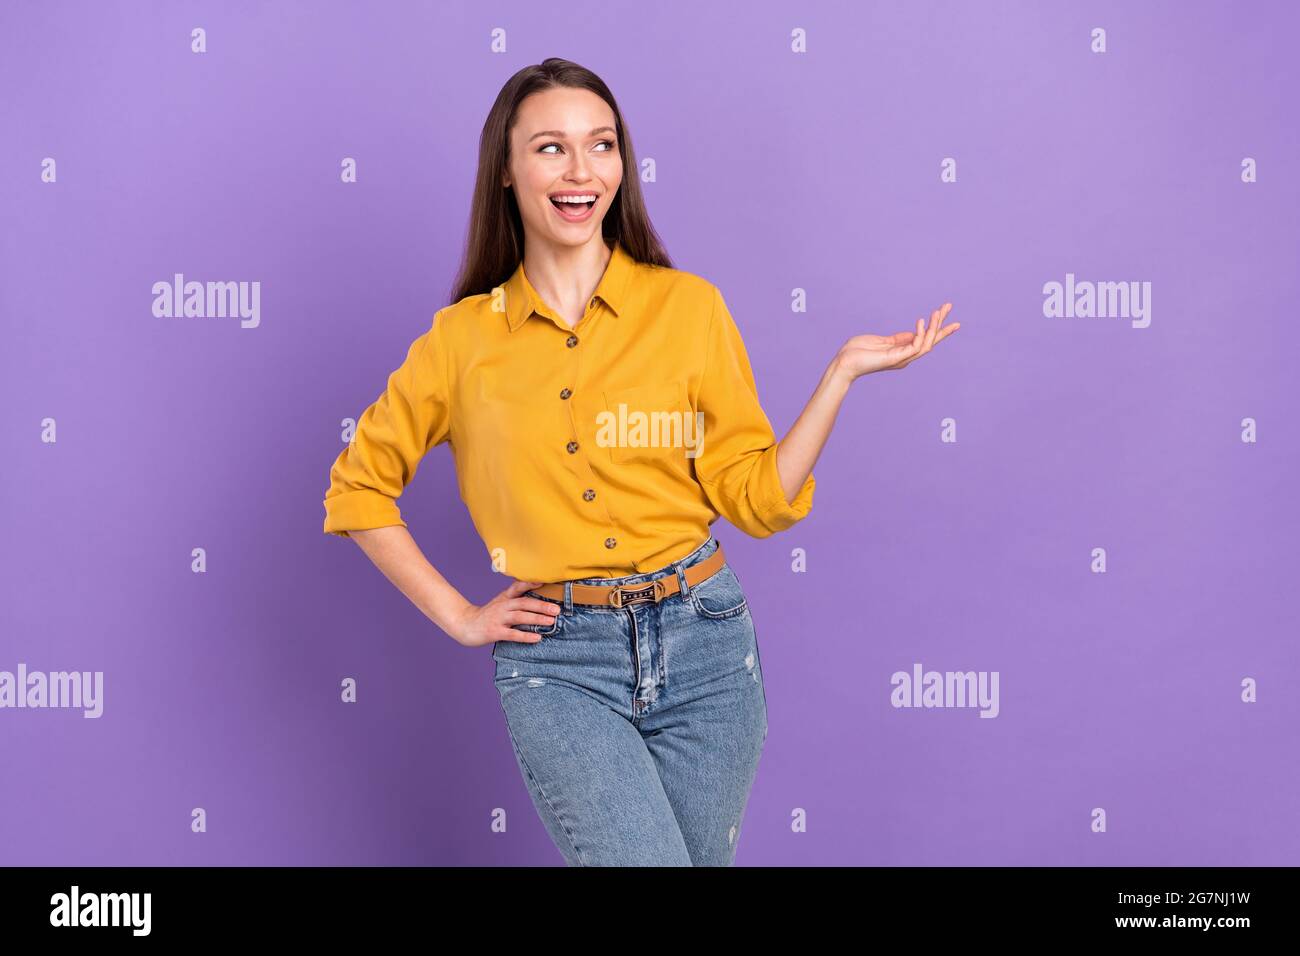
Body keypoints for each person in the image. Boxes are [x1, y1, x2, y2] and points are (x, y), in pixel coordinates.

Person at [322, 57, 959, 866]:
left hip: (707, 645)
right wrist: (460, 616)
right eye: (551, 147)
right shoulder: (461, 342)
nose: (582, 170)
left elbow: (757, 499)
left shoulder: (688, 308)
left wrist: (840, 376)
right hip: (561, 662)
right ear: (507, 172)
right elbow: (358, 490)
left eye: (603, 145)